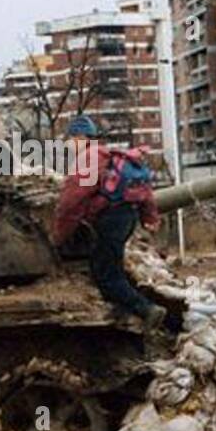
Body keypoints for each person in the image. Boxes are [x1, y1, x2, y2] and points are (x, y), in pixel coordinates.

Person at [52, 115, 167, 333]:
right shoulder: (111, 157)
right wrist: (149, 217)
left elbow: (71, 201)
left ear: (78, 137)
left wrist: (58, 237)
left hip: (110, 219)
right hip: (126, 217)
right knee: (111, 267)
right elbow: (146, 193)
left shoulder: (89, 158)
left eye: (69, 139)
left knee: (105, 274)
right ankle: (129, 308)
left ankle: (147, 310)